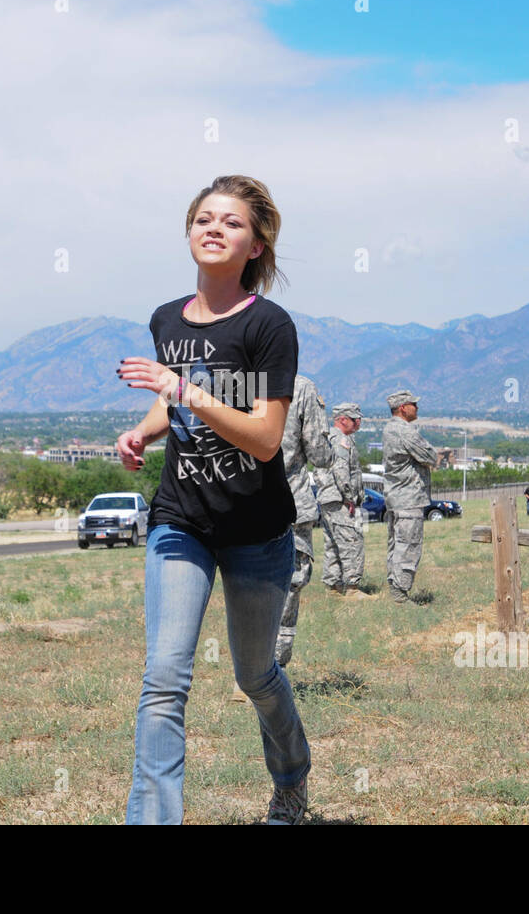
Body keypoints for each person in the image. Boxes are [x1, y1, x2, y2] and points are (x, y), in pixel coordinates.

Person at [114, 175, 311, 825]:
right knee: (165, 677)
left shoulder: (269, 326)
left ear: (256, 245)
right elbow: (171, 399)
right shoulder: (167, 319)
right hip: (182, 521)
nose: (214, 227)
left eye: (231, 222)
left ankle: (290, 779)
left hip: (257, 530)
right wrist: (142, 430)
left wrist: (183, 389)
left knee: (255, 676)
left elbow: (263, 437)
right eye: (204, 217)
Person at [267, 373, 331, 671]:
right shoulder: (300, 387)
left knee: (246, 585)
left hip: (239, 505)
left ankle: (247, 670)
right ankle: (269, 670)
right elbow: (321, 454)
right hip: (289, 502)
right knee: (289, 584)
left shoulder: (233, 380)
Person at [381, 390, 438, 605]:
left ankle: (396, 589)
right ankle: (400, 595)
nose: (417, 407)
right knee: (409, 545)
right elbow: (430, 455)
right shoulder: (405, 431)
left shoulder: (389, 428)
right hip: (409, 498)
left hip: (396, 497)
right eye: (413, 404)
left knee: (397, 545)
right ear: (403, 408)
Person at [316, 402, 366, 598]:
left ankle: (334, 588)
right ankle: (352, 589)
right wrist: (349, 498)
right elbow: (341, 471)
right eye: (355, 419)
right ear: (343, 419)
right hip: (339, 498)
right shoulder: (340, 440)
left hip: (329, 498)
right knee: (351, 539)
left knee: (333, 543)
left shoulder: (330, 438)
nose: (359, 423)